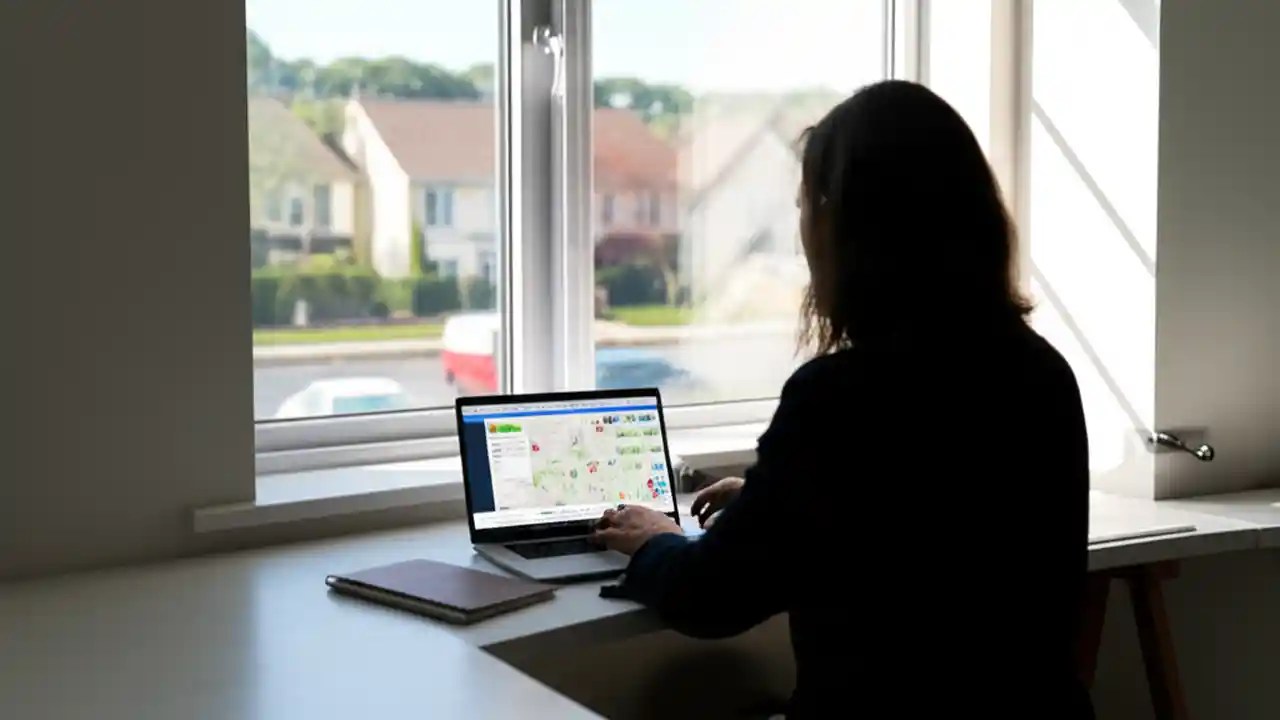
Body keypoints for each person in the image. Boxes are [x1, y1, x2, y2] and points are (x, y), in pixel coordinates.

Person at [594, 80, 1092, 718]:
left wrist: (656, 538)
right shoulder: (1043, 372)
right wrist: (774, 503)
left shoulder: (836, 398)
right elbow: (932, 515)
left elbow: (710, 600)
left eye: (806, 205)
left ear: (843, 226)